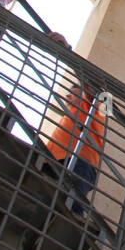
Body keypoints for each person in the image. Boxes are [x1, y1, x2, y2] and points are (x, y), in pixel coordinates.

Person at [41, 33, 107, 208]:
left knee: (68, 208)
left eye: (73, 90)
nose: (68, 94)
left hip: (78, 162)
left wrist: (66, 52)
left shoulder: (97, 105)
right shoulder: (68, 114)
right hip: (52, 160)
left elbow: (94, 87)